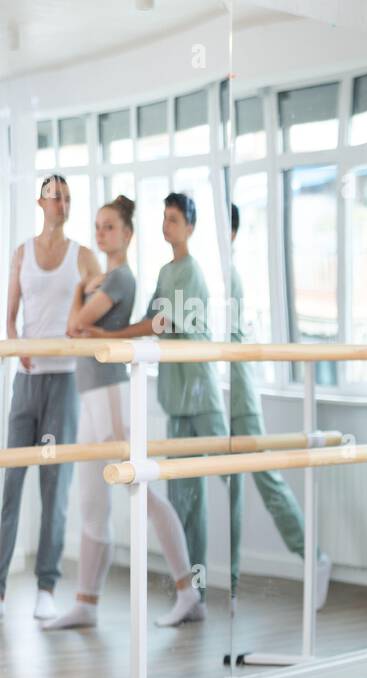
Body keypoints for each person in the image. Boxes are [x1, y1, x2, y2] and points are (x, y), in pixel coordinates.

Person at [44, 195, 200, 629]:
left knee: (144, 493)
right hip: (91, 394)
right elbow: (77, 331)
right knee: (92, 498)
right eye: (97, 226)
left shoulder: (119, 279)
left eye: (109, 226)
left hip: (112, 393)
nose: (100, 233)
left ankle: (189, 592)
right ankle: (86, 602)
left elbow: (74, 328)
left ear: (127, 234)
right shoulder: (105, 277)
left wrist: (77, 289)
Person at [114, 192, 229, 615]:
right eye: (164, 218)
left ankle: (205, 588)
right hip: (176, 397)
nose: (167, 226)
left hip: (200, 391)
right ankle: (192, 591)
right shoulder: (165, 272)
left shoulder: (192, 273)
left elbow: (161, 323)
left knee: (228, 476)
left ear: (191, 227)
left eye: (175, 219)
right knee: (185, 498)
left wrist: (109, 338)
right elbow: (150, 322)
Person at [0, 175, 100, 622]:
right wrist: (17, 343)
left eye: (67, 197)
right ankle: (0, 588)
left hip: (64, 381)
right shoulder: (21, 252)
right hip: (27, 382)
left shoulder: (83, 257)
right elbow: (11, 317)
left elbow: (105, 304)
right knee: (12, 483)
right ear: (40, 202)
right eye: (55, 196)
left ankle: (46, 584)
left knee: (53, 486)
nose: (62, 202)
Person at [227, 204, 331, 609]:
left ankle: (314, 558)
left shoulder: (228, 276)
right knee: (226, 486)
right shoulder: (211, 275)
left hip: (239, 396)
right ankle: (229, 583)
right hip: (215, 395)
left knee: (265, 480)